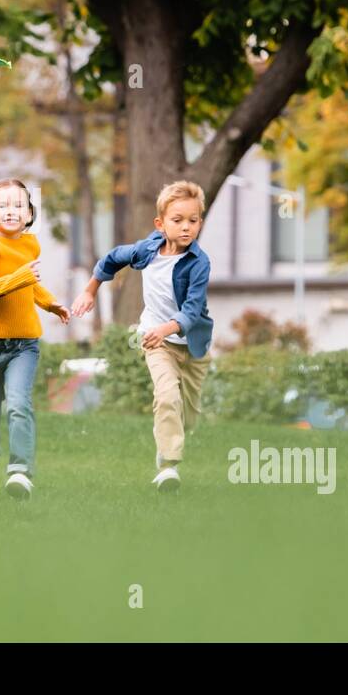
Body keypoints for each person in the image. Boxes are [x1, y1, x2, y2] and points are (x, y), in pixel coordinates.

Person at [71, 181, 213, 492]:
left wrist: (168, 327)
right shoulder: (146, 251)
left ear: (200, 222)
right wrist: (90, 290)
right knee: (167, 397)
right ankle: (168, 468)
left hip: (192, 346)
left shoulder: (199, 264)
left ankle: (170, 440)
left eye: (193, 220)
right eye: (178, 220)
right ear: (160, 224)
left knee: (188, 417)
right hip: (156, 341)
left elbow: (191, 310)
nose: (186, 227)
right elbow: (111, 259)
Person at [0, 178, 69, 499]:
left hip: (24, 344)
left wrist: (50, 303)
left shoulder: (31, 244)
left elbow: (29, 285)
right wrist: (20, 276)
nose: (11, 211)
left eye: (18, 205)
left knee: (19, 405)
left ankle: (20, 472)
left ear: (29, 213)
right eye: (3, 206)